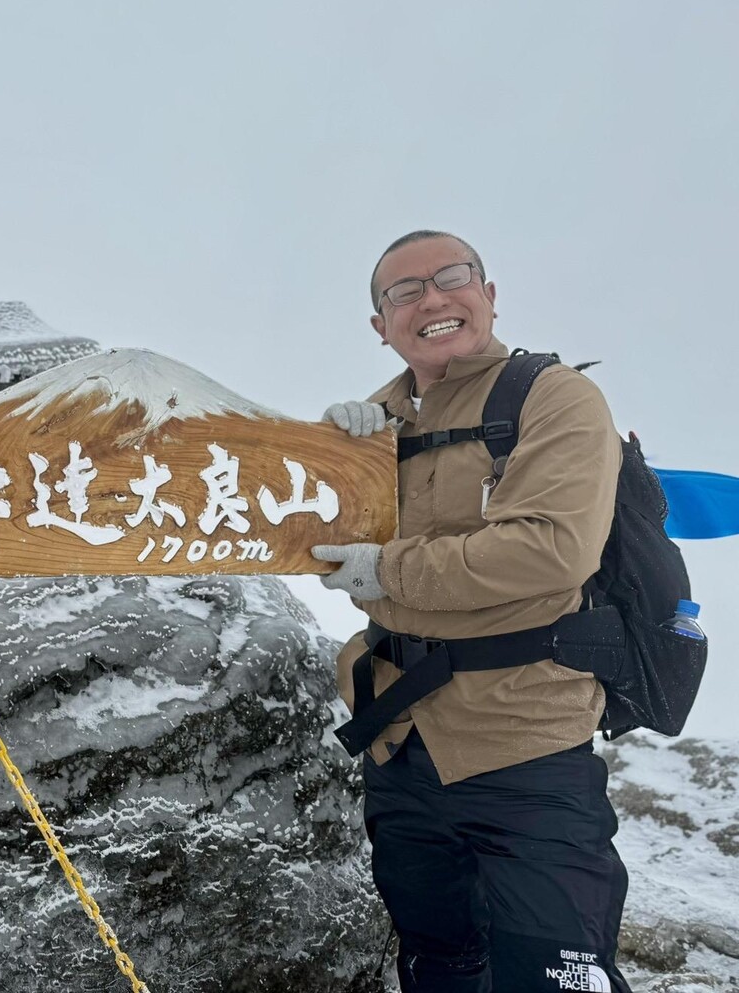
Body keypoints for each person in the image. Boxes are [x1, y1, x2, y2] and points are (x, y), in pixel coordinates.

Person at [310, 230, 631, 992]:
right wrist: (320, 458)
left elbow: (548, 550)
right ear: (381, 327)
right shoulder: (373, 425)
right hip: (400, 745)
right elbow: (306, 537)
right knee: (438, 962)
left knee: (557, 977)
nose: (431, 299)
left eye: (451, 278)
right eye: (403, 293)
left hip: (524, 745)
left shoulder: (555, 398)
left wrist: (383, 566)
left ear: (488, 294)